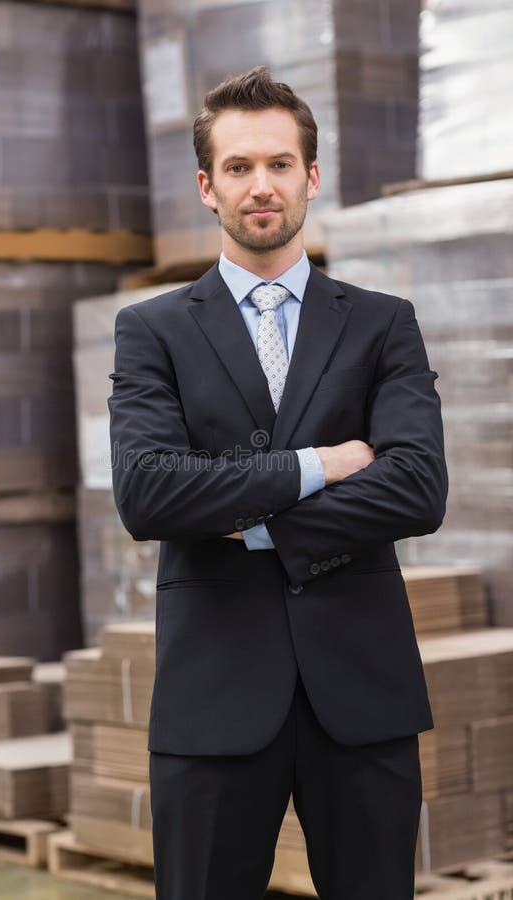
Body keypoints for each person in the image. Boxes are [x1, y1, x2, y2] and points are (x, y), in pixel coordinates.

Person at [108, 65, 448, 900]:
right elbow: (148, 492)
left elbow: (417, 487)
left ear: (312, 177)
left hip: (361, 698)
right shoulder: (150, 330)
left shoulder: (381, 324)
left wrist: (255, 521)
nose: (261, 186)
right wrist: (317, 466)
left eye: (279, 164)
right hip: (213, 701)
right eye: (237, 167)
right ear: (206, 186)